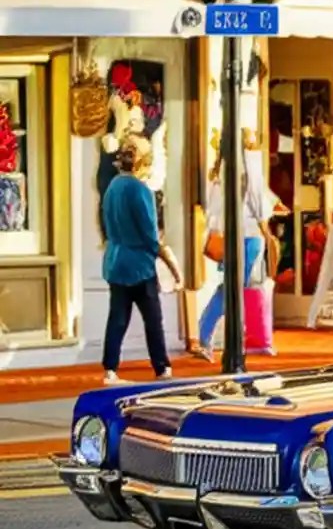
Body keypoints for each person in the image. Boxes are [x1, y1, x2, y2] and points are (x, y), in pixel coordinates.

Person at [101, 142, 181, 384]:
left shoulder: (112, 187)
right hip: (139, 265)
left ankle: (110, 369)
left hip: (116, 261)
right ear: (143, 162)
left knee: (117, 318)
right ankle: (162, 367)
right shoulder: (141, 191)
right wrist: (173, 267)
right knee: (153, 319)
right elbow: (150, 235)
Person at [194, 141, 270, 360]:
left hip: (230, 234)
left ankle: (208, 333)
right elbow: (257, 198)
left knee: (231, 287)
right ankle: (213, 335)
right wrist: (266, 230)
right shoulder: (250, 163)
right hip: (248, 235)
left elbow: (214, 206)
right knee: (238, 289)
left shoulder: (221, 171)